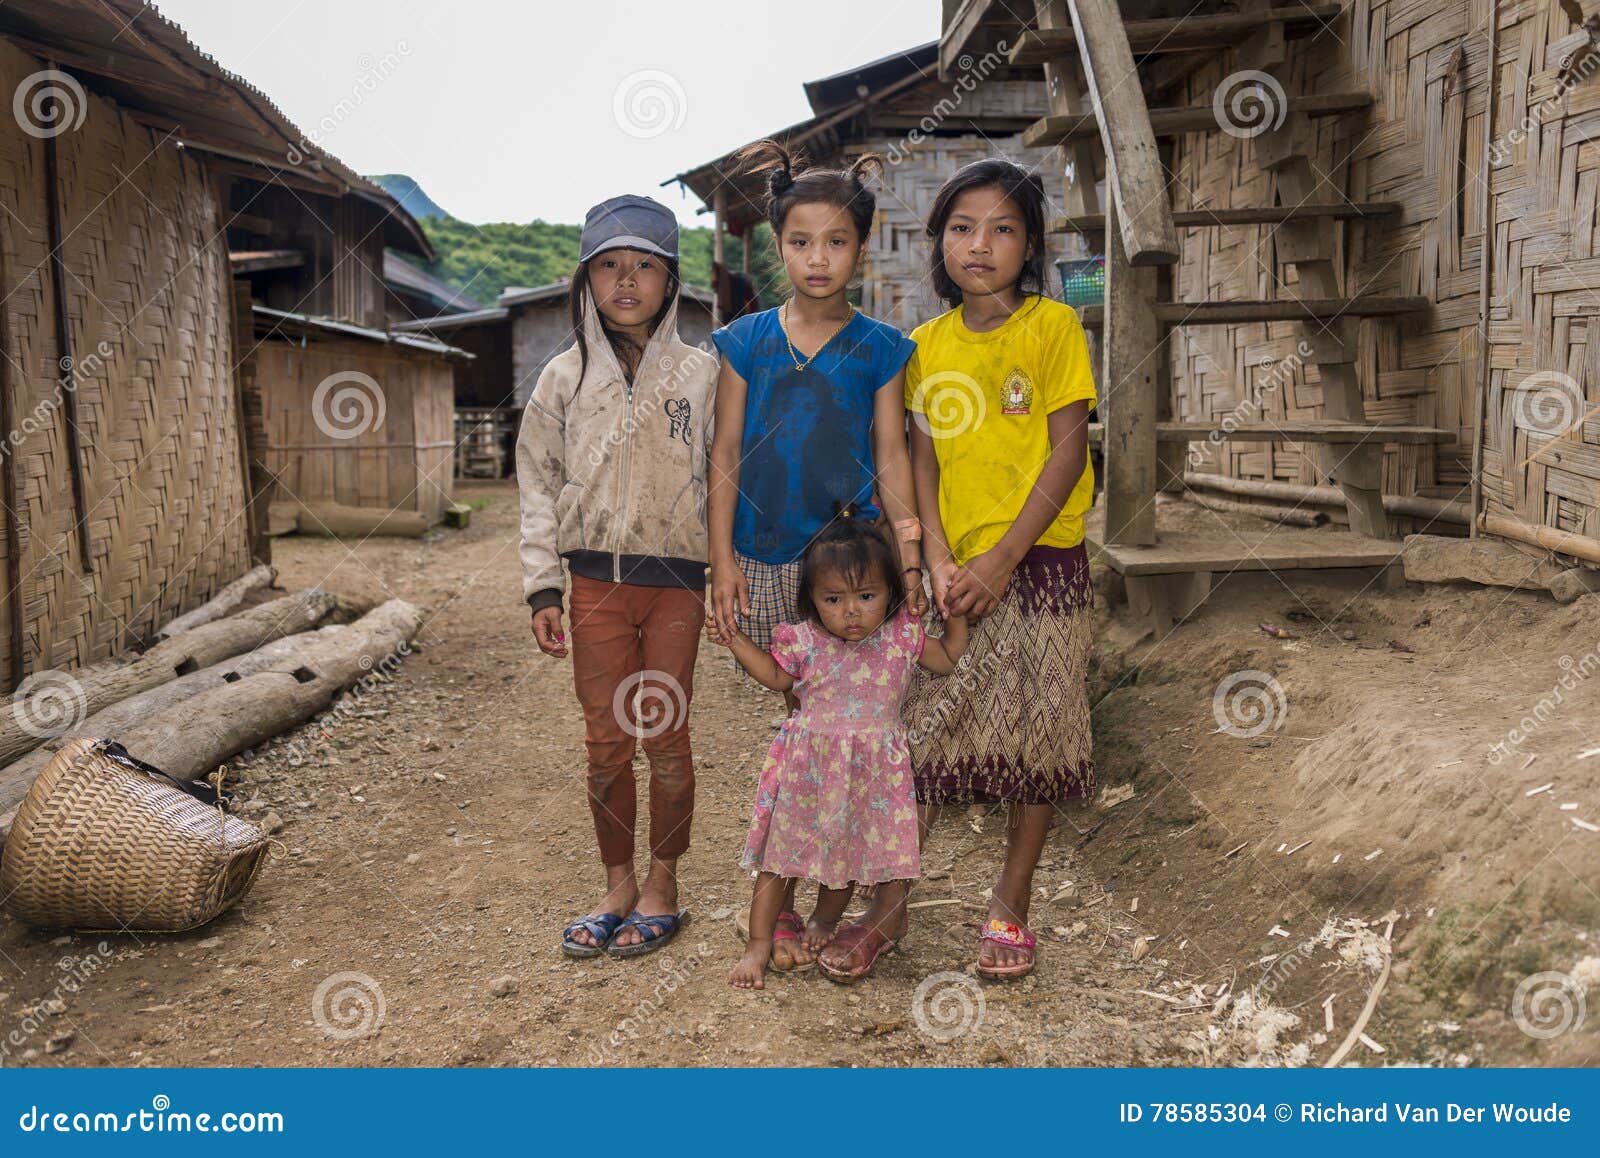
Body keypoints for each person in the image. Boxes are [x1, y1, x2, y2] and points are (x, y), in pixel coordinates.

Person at [825, 158, 1097, 983]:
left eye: (1003, 228)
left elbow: (1067, 449)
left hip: (1042, 566)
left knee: (1042, 738)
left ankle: (1010, 909)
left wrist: (1002, 559)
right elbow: (922, 464)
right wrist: (938, 559)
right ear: (939, 242)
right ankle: (888, 911)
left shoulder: (1053, 329)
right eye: (962, 227)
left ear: (1031, 245)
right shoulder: (924, 346)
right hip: (952, 582)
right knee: (920, 741)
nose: (980, 245)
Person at [707, 139, 927, 970]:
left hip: (851, 570)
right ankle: (786, 891)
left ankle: (832, 891)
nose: (818, 259)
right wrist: (721, 559)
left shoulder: (880, 347)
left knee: (844, 725)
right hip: (764, 559)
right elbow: (724, 451)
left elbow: (893, 454)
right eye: (800, 242)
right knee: (799, 723)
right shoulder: (744, 342)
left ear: (861, 249)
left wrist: (905, 557)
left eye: (836, 242)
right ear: (778, 246)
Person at [516, 194, 717, 958]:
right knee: (606, 741)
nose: (626, 281)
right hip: (594, 581)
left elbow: (721, 478)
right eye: (609, 266)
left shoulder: (702, 376)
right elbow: (537, 484)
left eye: (644, 266)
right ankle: (617, 883)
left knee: (665, 733)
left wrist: (723, 575)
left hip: (676, 584)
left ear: (671, 281)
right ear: (585, 282)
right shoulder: (562, 379)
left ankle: (664, 882)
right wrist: (543, 585)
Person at [707, 511, 969, 989]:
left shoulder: (901, 638)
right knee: (777, 862)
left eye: (867, 596)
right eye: (834, 599)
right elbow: (774, 677)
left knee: (843, 864)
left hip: (866, 778)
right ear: (812, 599)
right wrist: (734, 640)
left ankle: (824, 923)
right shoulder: (804, 642)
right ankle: (758, 944)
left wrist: (959, 612)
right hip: (807, 771)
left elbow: (949, 658)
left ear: (891, 592)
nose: (851, 611)